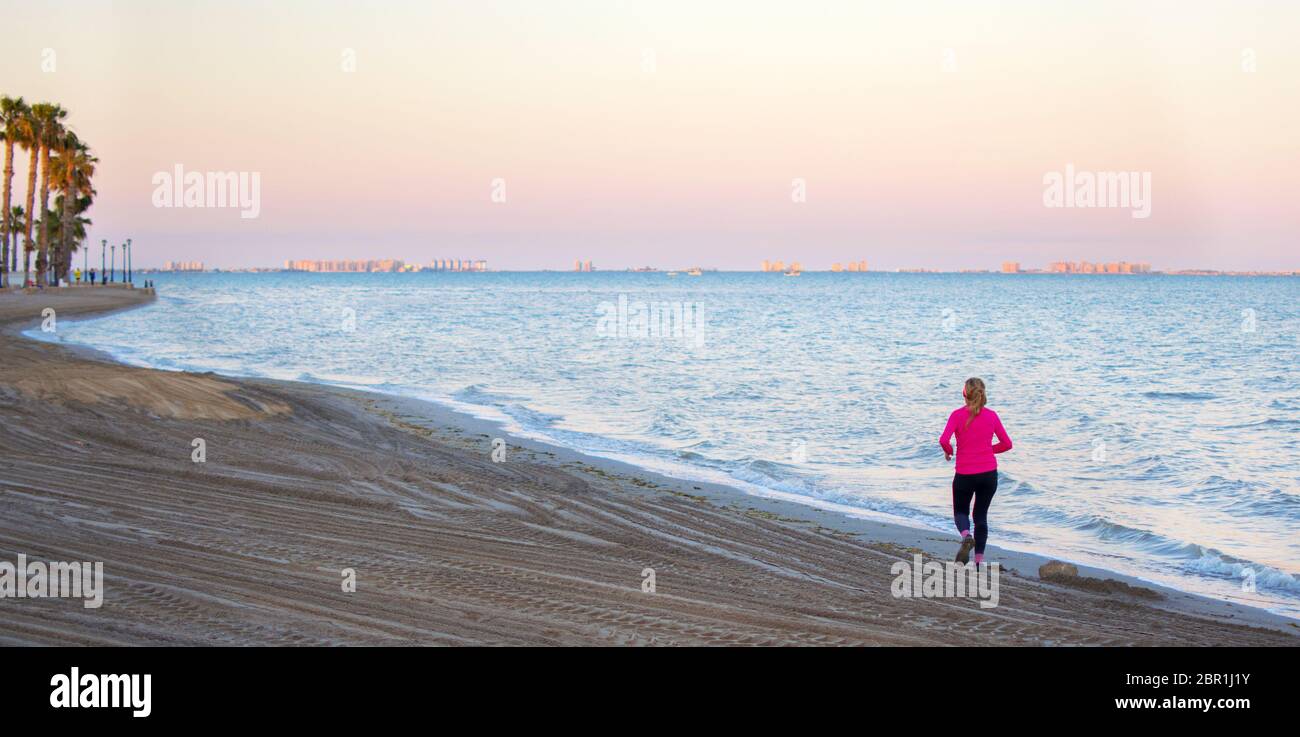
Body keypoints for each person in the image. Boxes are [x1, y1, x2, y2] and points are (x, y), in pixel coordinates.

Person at [939, 377, 1012, 566]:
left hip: (965, 474)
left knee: (961, 512)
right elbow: (1007, 444)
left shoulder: (956, 415)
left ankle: (966, 536)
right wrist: (987, 450)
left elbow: (943, 440)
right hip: (988, 474)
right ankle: (978, 562)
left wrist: (950, 451)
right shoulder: (992, 416)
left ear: (965, 394)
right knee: (980, 515)